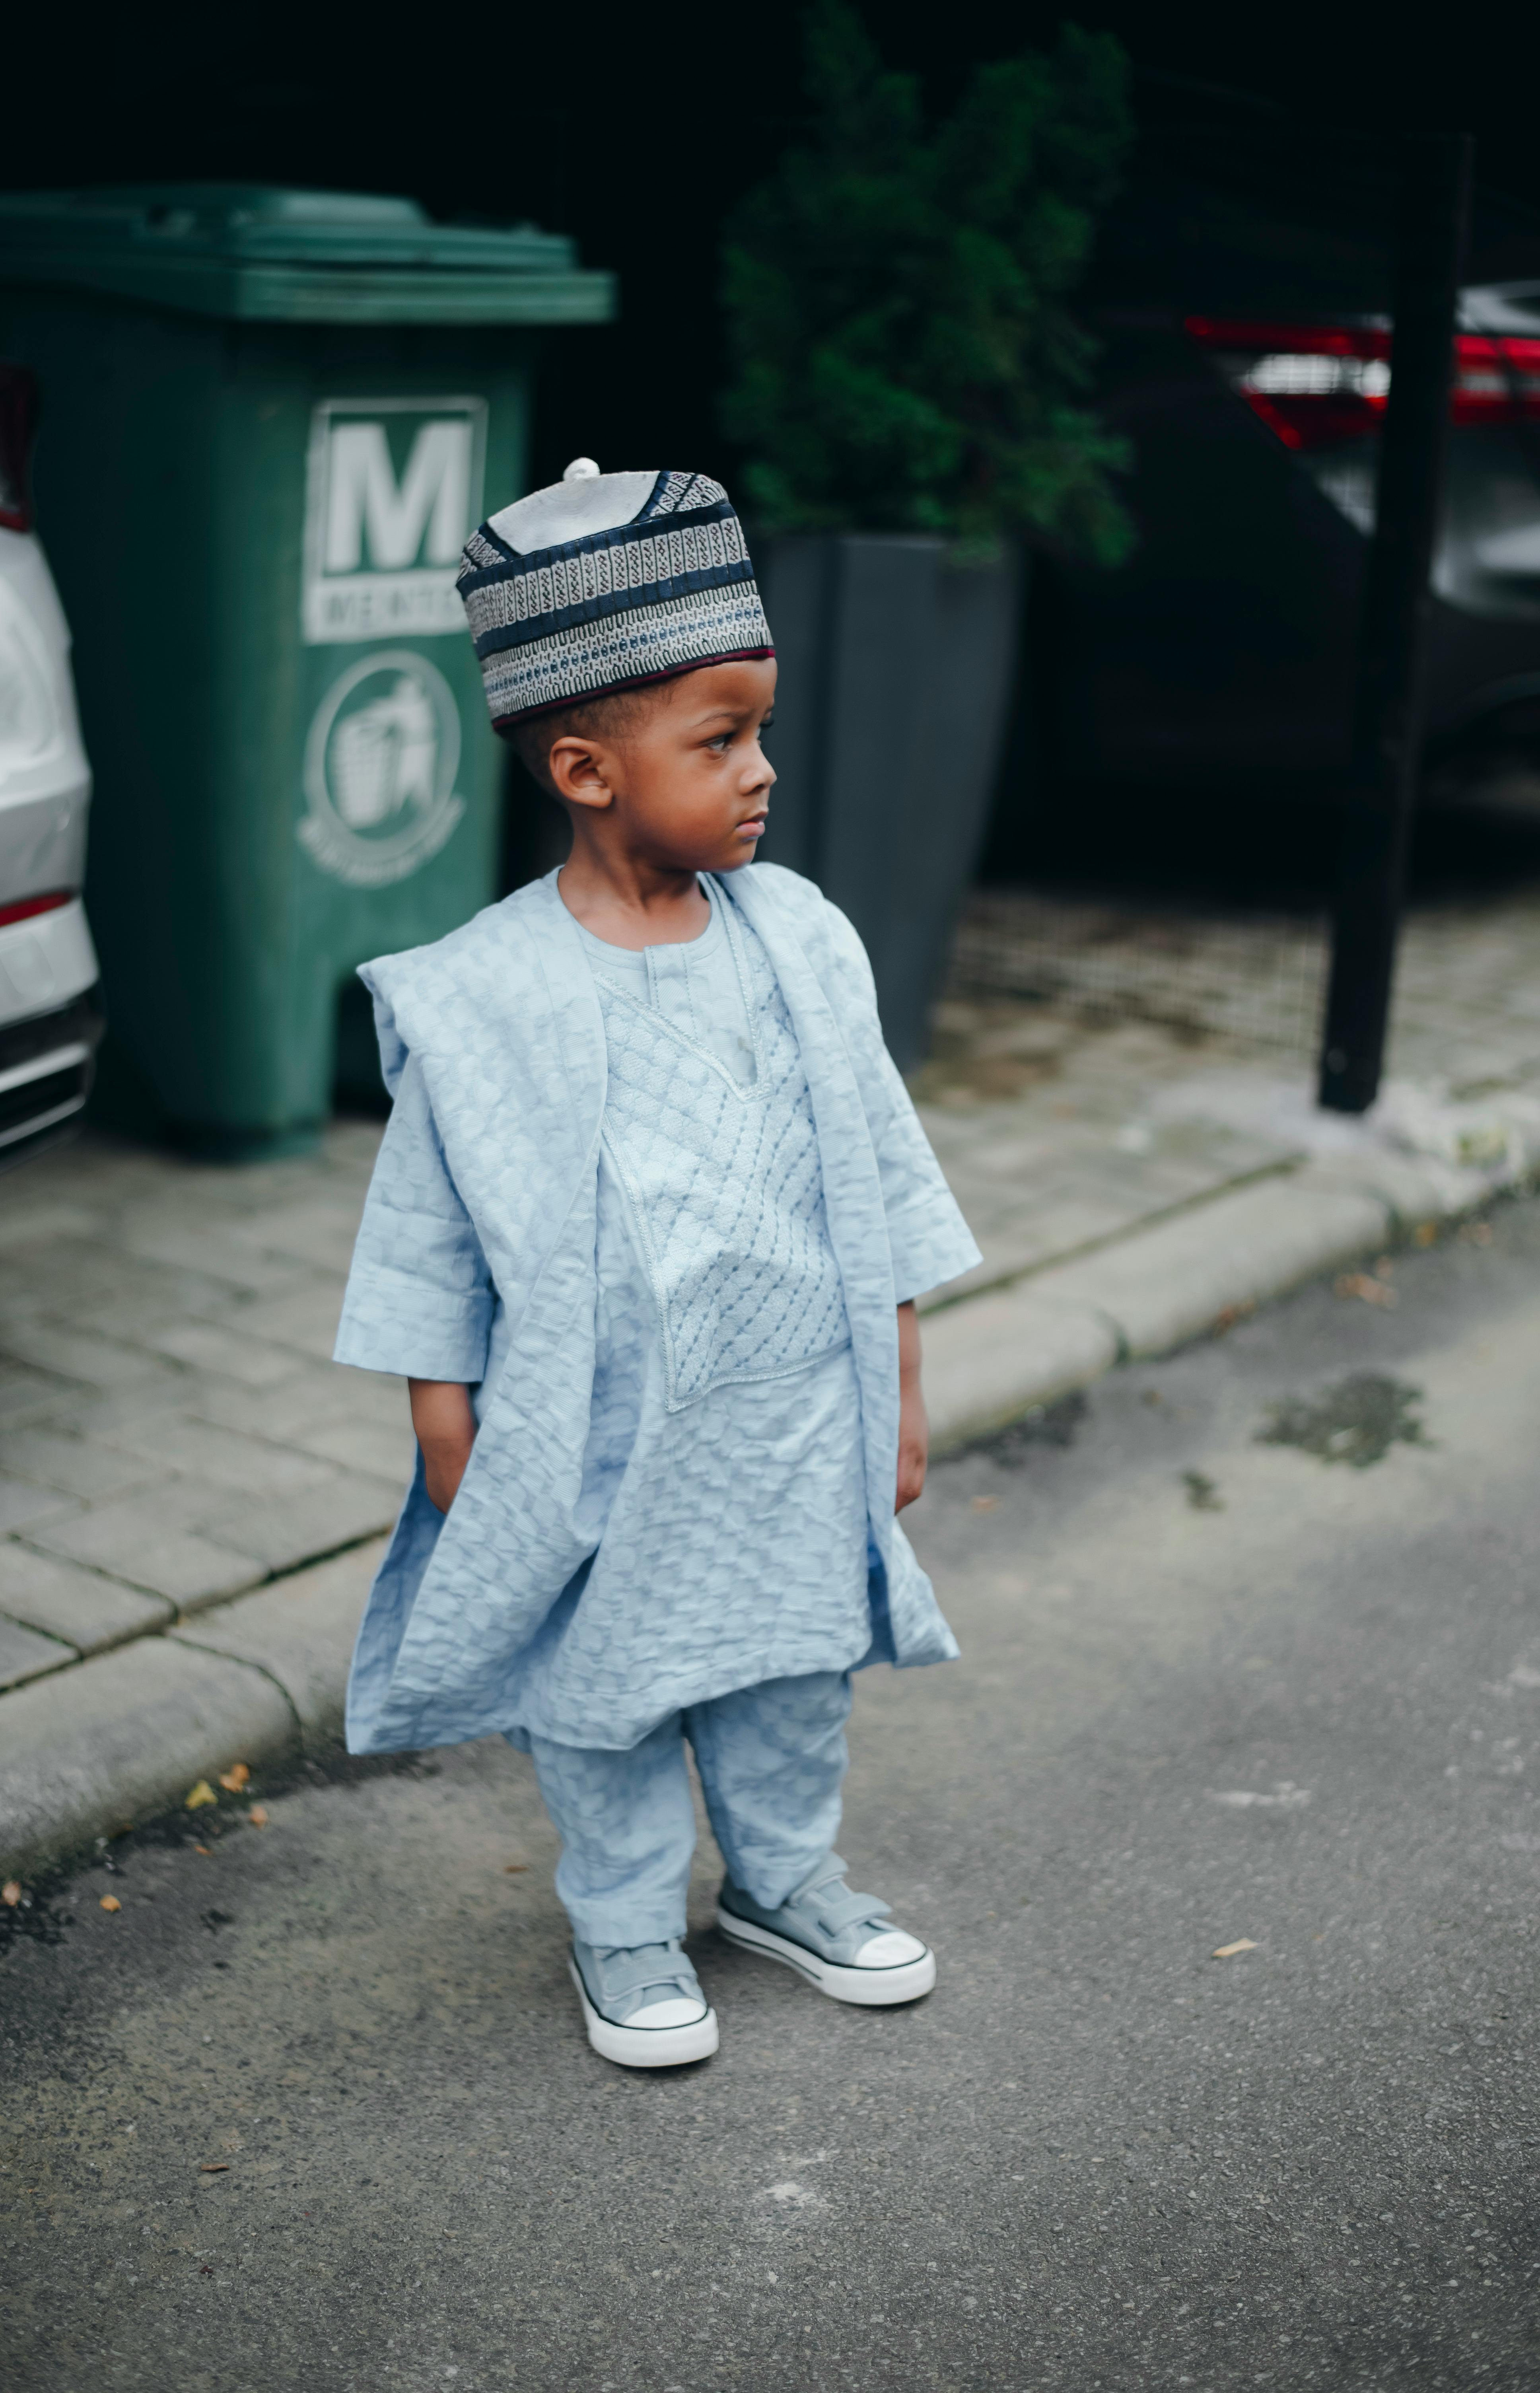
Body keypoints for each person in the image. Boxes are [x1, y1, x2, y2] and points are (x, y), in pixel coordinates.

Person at [333, 462, 982, 2068]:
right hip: (593, 1447)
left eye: (758, 729)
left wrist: (895, 1386)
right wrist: (443, 1425)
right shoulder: (481, 996)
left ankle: (784, 1880)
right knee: (598, 1690)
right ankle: (622, 1923)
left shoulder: (803, 940)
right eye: (718, 738)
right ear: (585, 765)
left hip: (778, 1435)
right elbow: (425, 1224)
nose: (761, 771)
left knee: (786, 1666)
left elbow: (875, 1175)